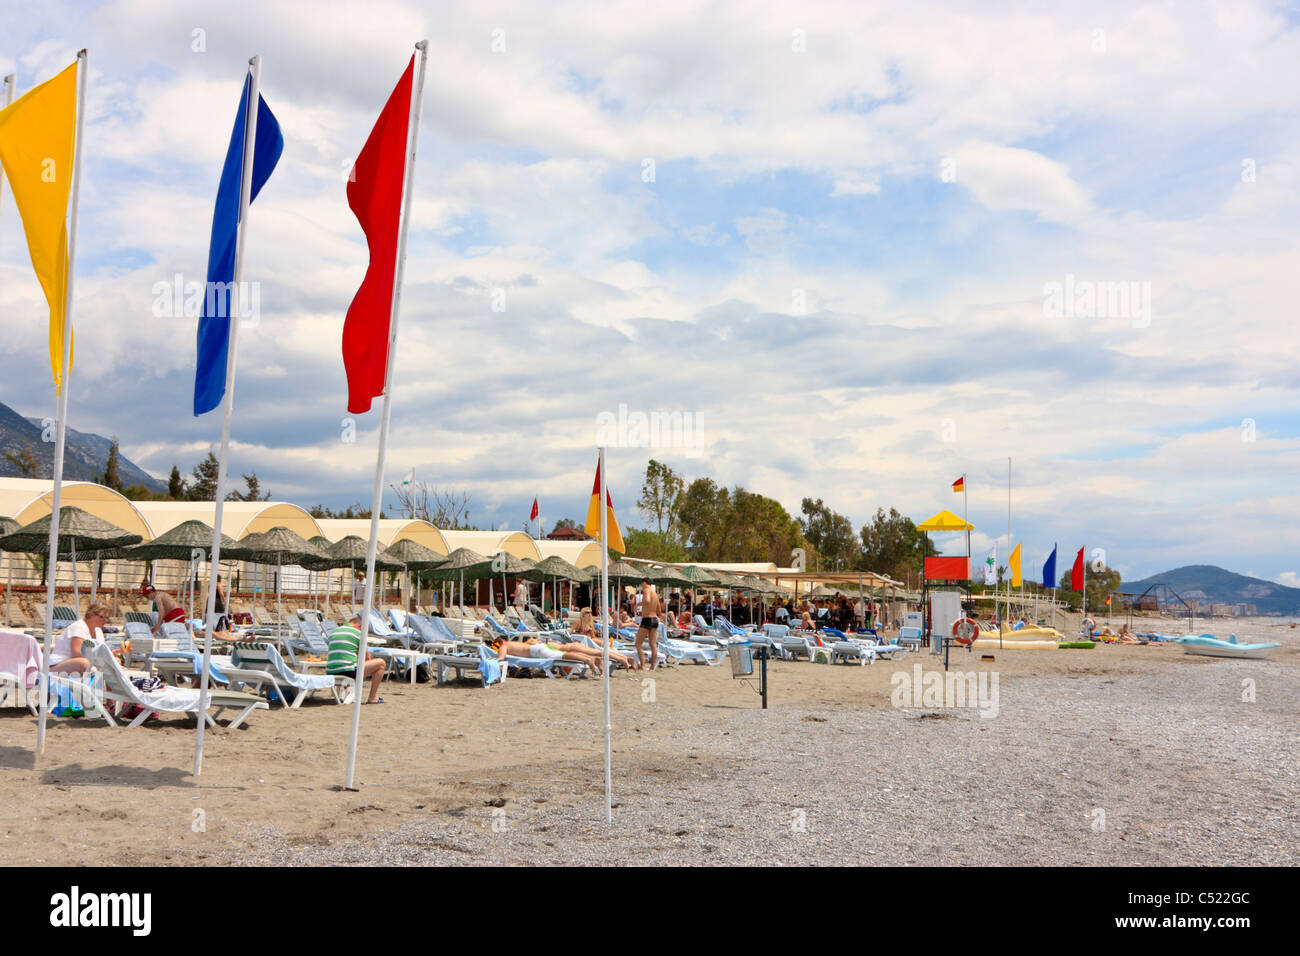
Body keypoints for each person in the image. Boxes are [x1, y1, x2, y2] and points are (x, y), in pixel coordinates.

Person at [327, 613, 386, 704]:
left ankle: (348, 690)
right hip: (349, 672)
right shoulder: (357, 633)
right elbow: (367, 657)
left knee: (348, 661)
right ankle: (372, 697)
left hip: (331, 670)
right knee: (381, 663)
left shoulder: (334, 631)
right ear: (359, 625)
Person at [50, 602, 122, 674]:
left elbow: (98, 652)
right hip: (58, 665)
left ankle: (114, 685)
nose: (105, 620)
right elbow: (77, 654)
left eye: (107, 618)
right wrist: (103, 656)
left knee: (116, 661)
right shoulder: (79, 627)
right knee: (84, 663)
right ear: (91, 614)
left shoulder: (98, 631)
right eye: (101, 617)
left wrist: (112, 654)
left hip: (82, 663)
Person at [634, 577, 661, 670]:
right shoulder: (656, 594)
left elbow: (647, 600)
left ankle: (643, 666)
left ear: (644, 583)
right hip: (655, 619)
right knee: (653, 644)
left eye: (642, 584)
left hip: (647, 619)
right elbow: (658, 609)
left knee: (638, 644)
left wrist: (638, 605)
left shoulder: (646, 590)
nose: (641, 586)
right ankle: (653, 666)